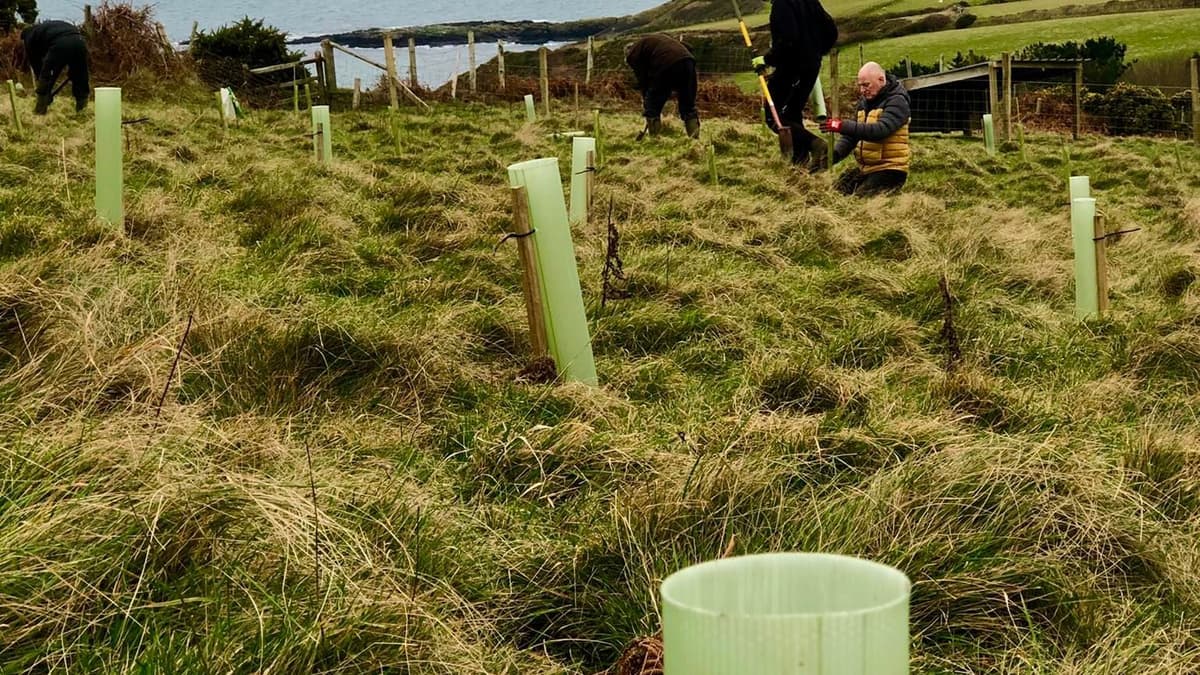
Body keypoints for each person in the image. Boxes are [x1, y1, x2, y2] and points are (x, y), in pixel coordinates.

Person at [754, 0, 838, 169]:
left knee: (773, 115)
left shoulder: (782, 4)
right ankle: (800, 163)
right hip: (811, 66)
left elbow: (788, 39)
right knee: (792, 112)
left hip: (792, 67)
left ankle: (816, 144)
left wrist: (767, 59)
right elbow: (831, 31)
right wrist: (816, 52)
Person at [820, 62, 911, 197]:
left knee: (858, 200)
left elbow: (880, 131)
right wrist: (834, 155)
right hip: (867, 169)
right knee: (835, 194)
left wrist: (842, 126)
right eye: (860, 85)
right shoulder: (864, 103)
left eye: (866, 85)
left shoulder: (897, 101)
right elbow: (852, 136)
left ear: (881, 80)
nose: (862, 90)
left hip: (890, 170)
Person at [625, 34, 700, 139]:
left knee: (652, 105)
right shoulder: (654, 41)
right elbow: (689, 47)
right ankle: (695, 140)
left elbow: (643, 80)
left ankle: (655, 139)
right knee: (688, 105)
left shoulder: (633, 53)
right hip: (688, 61)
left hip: (666, 63)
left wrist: (647, 102)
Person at [21, 20, 91, 115]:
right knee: (80, 75)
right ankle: (82, 109)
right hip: (80, 41)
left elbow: (35, 62)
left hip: (61, 43)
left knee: (46, 76)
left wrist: (42, 82)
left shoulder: (29, 36)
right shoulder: (45, 29)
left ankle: (40, 109)